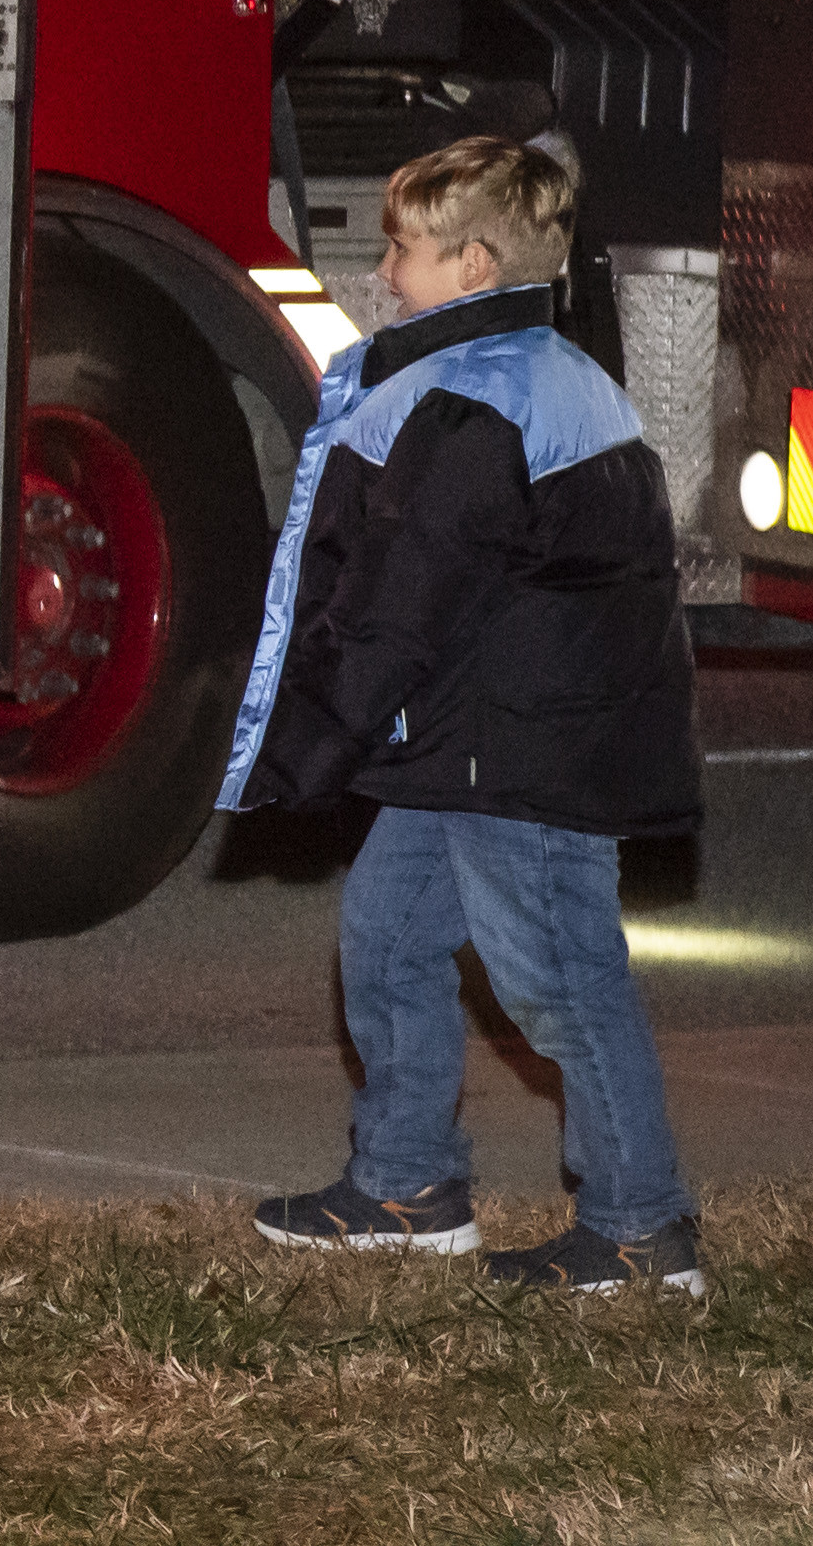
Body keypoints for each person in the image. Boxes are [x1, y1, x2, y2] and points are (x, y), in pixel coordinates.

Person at [228, 135, 707, 1295]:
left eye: (405, 250)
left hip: (521, 757)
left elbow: (401, 602)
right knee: (388, 939)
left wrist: (305, 745)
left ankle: (642, 1229)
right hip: (476, 743)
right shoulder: (538, 375)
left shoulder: (481, 401)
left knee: (559, 977)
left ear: (476, 264)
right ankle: (406, 1187)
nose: (387, 273)